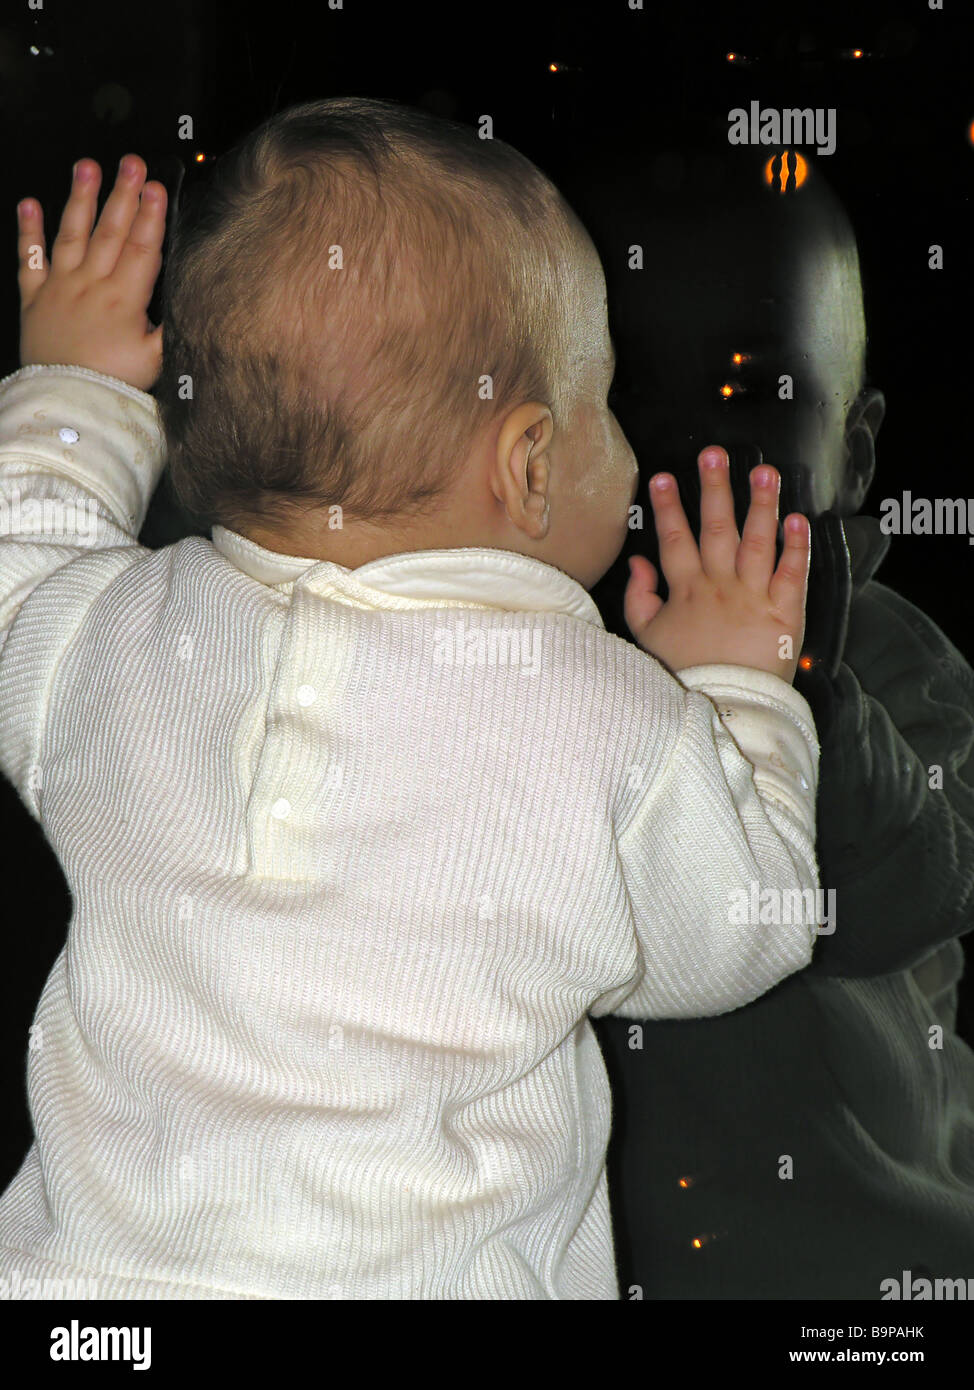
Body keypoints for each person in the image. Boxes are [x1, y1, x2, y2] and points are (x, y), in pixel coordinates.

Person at [0, 99, 819, 1300]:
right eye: (603, 402)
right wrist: (734, 687)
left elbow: (25, 546)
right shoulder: (605, 721)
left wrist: (72, 380)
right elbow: (740, 929)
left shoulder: (99, 637)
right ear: (527, 465)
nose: (627, 446)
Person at [561, 143, 974, 1299]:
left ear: (853, 449)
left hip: (869, 1253)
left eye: (756, 393)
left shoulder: (893, 663)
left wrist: (798, 693)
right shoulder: (541, 640)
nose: (693, 445)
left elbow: (907, 891)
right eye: (628, 389)